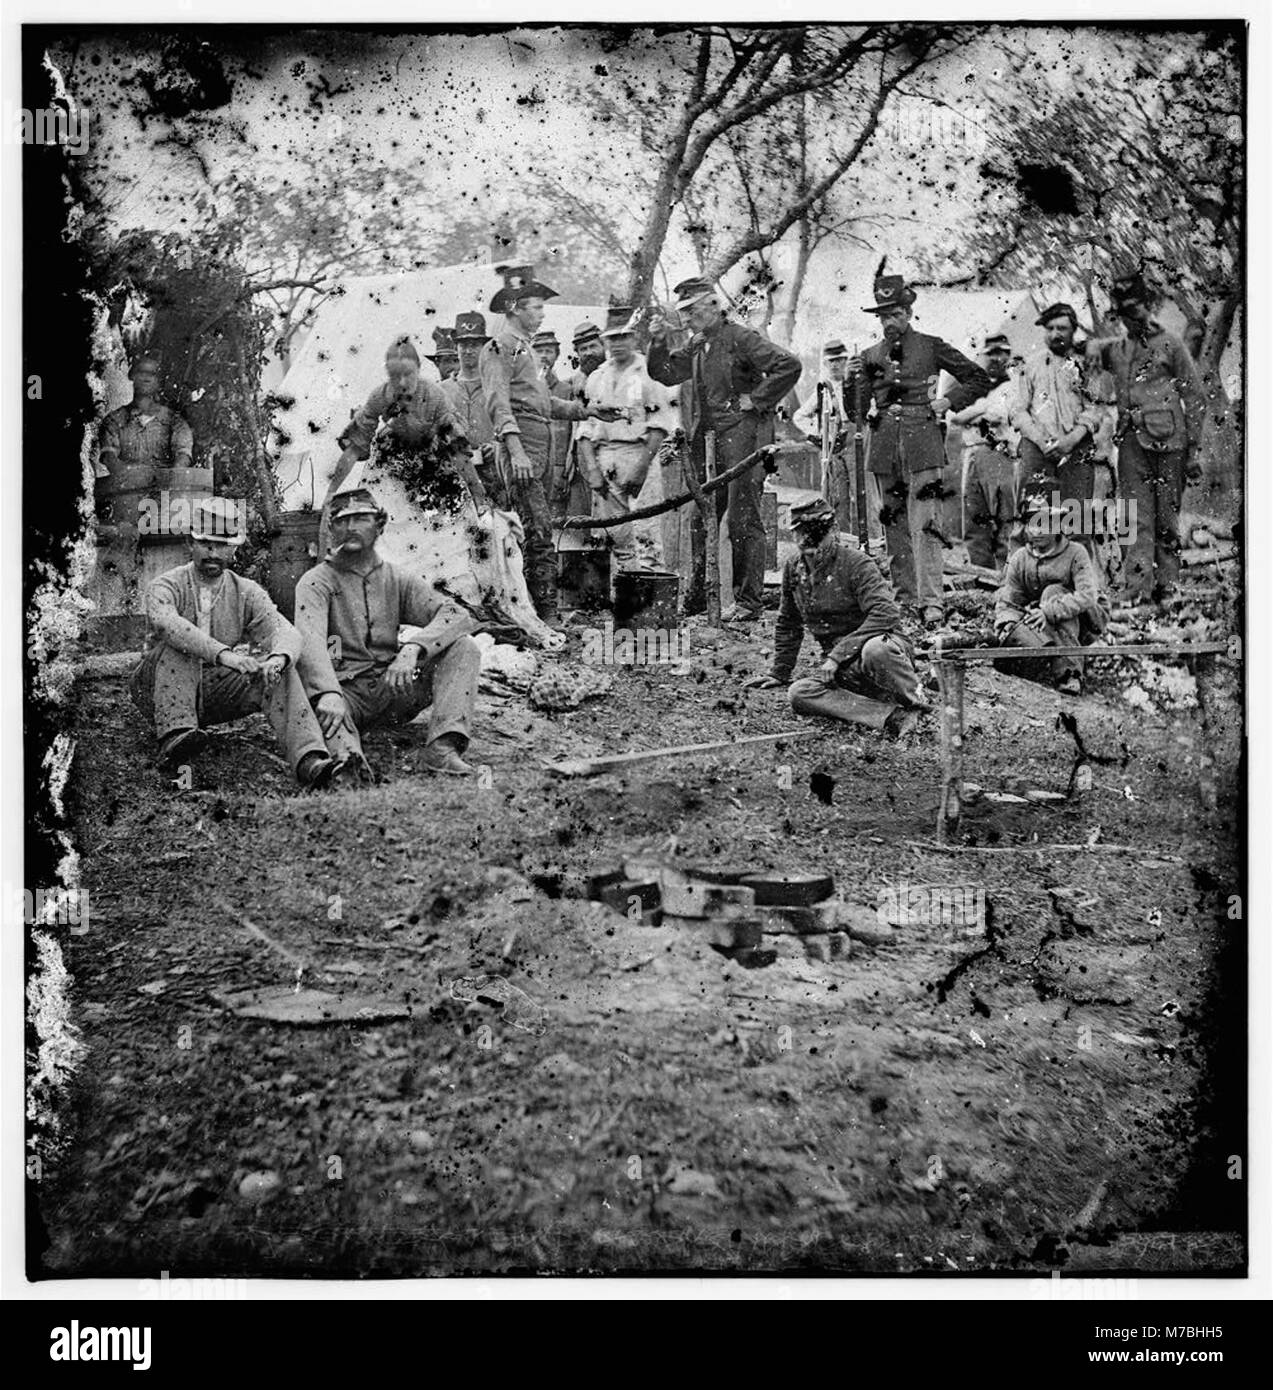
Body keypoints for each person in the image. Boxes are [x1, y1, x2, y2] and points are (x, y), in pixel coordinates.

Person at [129, 497, 338, 786]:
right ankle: (174, 737)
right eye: (206, 543)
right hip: (158, 687)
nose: (214, 553)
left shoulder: (245, 591)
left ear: (234, 548)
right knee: (181, 648)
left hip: (213, 691)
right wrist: (225, 655)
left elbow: (284, 631)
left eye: (223, 545)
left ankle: (309, 759)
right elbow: (169, 626)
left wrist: (278, 658)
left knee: (278, 671)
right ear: (190, 543)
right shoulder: (166, 584)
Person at [294, 486, 482, 777]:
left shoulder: (396, 578)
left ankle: (442, 749)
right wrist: (329, 693)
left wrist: (413, 649)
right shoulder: (316, 582)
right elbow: (311, 645)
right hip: (343, 696)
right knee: (338, 749)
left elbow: (456, 614)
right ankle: (349, 762)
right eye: (342, 521)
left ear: (379, 525)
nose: (351, 527)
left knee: (464, 647)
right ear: (331, 530)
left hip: (394, 690)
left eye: (361, 519)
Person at [647, 276, 802, 624]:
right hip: (708, 440)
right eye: (682, 313)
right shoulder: (699, 342)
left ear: (712, 306)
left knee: (743, 516)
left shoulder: (741, 337)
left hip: (743, 437)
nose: (685, 320)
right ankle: (701, 596)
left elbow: (789, 365)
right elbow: (666, 373)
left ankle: (748, 602)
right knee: (701, 516)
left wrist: (757, 399)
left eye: (690, 312)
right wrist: (657, 342)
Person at [845, 269, 991, 625]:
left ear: (908, 313)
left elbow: (977, 377)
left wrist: (948, 402)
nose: (889, 321)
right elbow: (857, 412)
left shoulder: (930, 345)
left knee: (926, 524)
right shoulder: (867, 356)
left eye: (895, 313)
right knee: (893, 525)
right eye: (883, 315)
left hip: (923, 442)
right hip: (883, 447)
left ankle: (932, 602)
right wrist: (849, 381)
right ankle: (906, 600)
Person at [479, 265, 617, 625]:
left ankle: (534, 611)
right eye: (536, 308)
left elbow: (544, 403)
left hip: (540, 444)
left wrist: (588, 410)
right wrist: (516, 450)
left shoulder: (525, 350)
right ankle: (543, 615)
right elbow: (498, 403)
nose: (541, 314)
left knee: (537, 529)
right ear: (515, 309)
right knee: (537, 529)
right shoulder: (500, 347)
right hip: (522, 447)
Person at [743, 497, 929, 736]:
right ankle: (892, 716)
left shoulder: (857, 563)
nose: (809, 542)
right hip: (843, 671)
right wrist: (779, 672)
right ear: (795, 536)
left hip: (881, 657)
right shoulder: (793, 568)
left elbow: (886, 613)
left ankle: (919, 706)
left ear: (832, 532)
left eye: (817, 534)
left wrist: (838, 654)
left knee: (876, 649)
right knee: (799, 693)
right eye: (802, 534)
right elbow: (788, 622)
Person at [1089, 272, 1205, 606]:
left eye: (1136, 311)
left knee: (1167, 519)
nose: (1131, 319)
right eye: (1125, 313)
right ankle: (1136, 591)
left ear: (1147, 307)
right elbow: (1089, 348)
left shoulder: (1170, 342)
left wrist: (1194, 450)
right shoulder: (1120, 347)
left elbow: (1195, 396)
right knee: (1134, 519)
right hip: (1130, 445)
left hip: (1171, 444)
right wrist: (1095, 344)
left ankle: (1168, 588)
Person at [323, 335, 486, 546]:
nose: (401, 383)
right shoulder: (379, 396)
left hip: (432, 465)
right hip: (392, 465)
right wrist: (331, 492)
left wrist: (479, 497)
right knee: (385, 536)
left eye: (408, 375)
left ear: (418, 369)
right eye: (394, 376)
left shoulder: (436, 396)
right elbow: (354, 449)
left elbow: (457, 450)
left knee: (444, 538)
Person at [574, 305, 679, 575]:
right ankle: (625, 601)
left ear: (634, 337)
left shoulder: (648, 371)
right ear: (605, 341)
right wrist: (593, 470)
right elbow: (585, 428)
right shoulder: (597, 376)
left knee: (646, 532)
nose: (617, 344)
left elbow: (660, 423)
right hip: (606, 457)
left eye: (623, 337)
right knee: (616, 535)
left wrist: (643, 465)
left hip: (641, 453)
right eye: (612, 338)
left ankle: (652, 602)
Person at [1012, 301, 1117, 569]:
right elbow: (1019, 411)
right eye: (1050, 328)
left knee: (1077, 518)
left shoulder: (1085, 365)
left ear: (1073, 332)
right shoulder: (1030, 365)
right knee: (1032, 514)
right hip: (1038, 448)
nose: (1055, 334)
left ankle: (1082, 584)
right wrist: (1041, 440)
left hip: (1076, 446)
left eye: (1062, 328)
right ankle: (1022, 579)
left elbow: (1095, 407)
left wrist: (1072, 439)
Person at [994, 506, 1107, 695]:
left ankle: (1069, 674)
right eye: (1032, 525)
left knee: (1052, 592)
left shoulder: (1075, 552)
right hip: (1042, 615)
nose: (1037, 531)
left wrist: (1047, 611)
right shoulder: (1020, 558)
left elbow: (1087, 596)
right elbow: (1009, 600)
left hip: (1087, 617)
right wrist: (1007, 623)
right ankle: (1040, 664)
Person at [793, 337, 883, 542]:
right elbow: (800, 416)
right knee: (836, 499)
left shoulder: (859, 384)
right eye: (831, 361)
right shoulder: (824, 388)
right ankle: (841, 546)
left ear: (846, 361)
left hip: (857, 441)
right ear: (825, 363)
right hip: (834, 445)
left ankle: (875, 545)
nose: (835, 365)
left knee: (866, 497)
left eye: (840, 360)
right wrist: (818, 434)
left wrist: (868, 421)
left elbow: (875, 409)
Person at [949, 332, 1019, 571]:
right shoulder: (973, 384)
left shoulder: (1014, 383)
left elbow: (997, 415)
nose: (996, 359)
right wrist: (976, 412)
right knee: (975, 519)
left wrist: (974, 413)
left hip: (1002, 452)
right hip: (972, 451)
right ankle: (982, 577)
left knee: (1005, 519)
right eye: (991, 353)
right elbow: (955, 418)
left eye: (1002, 353)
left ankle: (1006, 577)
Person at [96, 354, 194, 517]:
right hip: (125, 500)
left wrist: (167, 483)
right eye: (141, 372)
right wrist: (133, 479)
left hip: (165, 503)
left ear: (159, 380)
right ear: (132, 375)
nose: (146, 378)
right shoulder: (114, 420)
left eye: (152, 373)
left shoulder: (176, 423)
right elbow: (109, 458)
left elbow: (182, 457)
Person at [439, 311, 499, 505]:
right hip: (452, 475)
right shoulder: (442, 390)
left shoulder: (497, 387)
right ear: (456, 347)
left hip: (492, 476)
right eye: (463, 345)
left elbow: (512, 429)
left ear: (484, 348)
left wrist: (497, 447)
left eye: (474, 345)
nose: (468, 350)